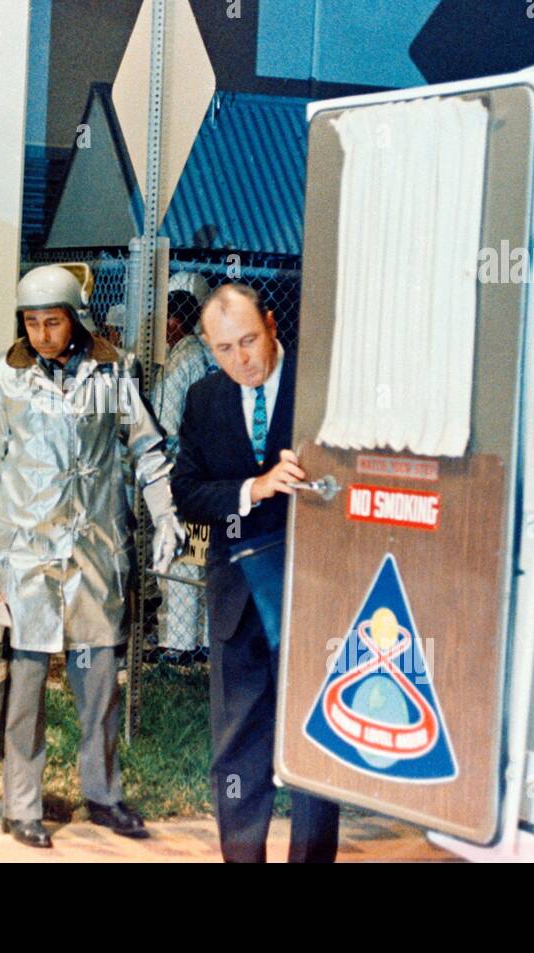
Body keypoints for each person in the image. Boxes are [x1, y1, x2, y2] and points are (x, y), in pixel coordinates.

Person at [0, 264, 184, 850]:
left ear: (75, 318)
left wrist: (166, 515)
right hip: (27, 558)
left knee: (99, 687)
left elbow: (148, 449)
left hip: (95, 553)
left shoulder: (114, 373)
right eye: (32, 323)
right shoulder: (1, 380)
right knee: (25, 688)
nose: (43, 334)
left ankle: (103, 795)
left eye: (52, 322)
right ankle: (21, 804)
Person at [171, 283, 340, 863]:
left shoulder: (319, 388)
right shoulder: (204, 399)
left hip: (313, 592)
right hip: (239, 599)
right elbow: (187, 493)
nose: (240, 359)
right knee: (238, 746)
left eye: (248, 341)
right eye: (223, 349)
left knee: (316, 739)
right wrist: (254, 488)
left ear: (271, 324)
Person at [151, 279, 215, 659]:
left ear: (176, 321)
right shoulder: (201, 354)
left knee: (181, 559)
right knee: (199, 555)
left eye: (167, 319)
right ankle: (203, 641)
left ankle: (177, 643)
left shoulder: (181, 359)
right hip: (204, 468)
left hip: (180, 469)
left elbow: (168, 422)